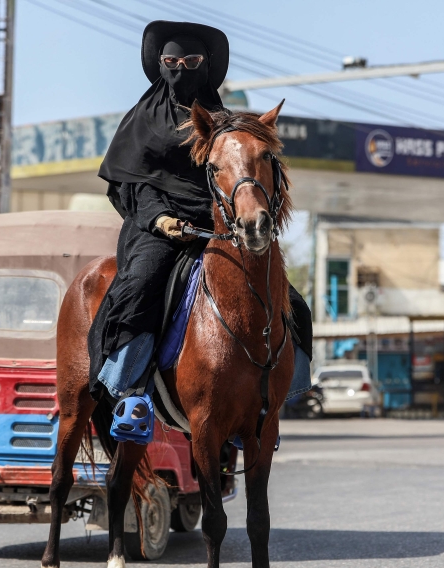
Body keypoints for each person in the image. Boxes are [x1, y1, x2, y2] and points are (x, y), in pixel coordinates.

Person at [89, 20, 313, 434]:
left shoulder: (226, 124)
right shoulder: (141, 120)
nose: (180, 69)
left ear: (207, 66)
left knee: (291, 301)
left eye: (190, 61)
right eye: (171, 61)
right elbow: (129, 184)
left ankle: (279, 396)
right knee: (140, 284)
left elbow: (247, 174)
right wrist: (161, 219)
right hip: (156, 227)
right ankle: (129, 391)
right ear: (159, 66)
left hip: (219, 226)